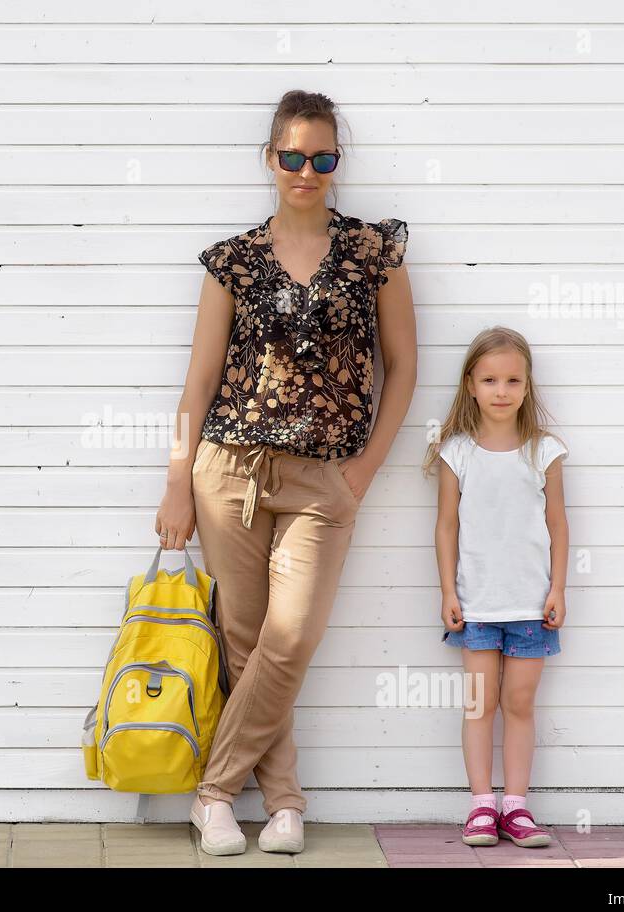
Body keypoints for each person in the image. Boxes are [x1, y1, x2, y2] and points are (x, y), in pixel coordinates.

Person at [155, 89, 417, 854]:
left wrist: (363, 471)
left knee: (290, 633)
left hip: (323, 477)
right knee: (245, 640)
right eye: (293, 156)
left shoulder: (373, 252)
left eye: (323, 157)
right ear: (270, 159)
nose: (307, 170)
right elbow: (197, 383)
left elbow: (402, 366)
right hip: (228, 468)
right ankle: (285, 804)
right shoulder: (233, 260)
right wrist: (178, 478)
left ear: (338, 163)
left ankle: (212, 793)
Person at [426, 326, 569, 849]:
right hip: (478, 603)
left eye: (513, 380)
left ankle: (518, 806)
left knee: (521, 702)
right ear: (470, 384)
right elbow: (446, 527)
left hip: (531, 604)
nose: (502, 391)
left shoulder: (544, 452)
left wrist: (558, 588)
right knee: (479, 704)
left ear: (528, 386)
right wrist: (448, 592)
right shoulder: (456, 453)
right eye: (490, 380)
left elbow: (558, 524)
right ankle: (481, 806)